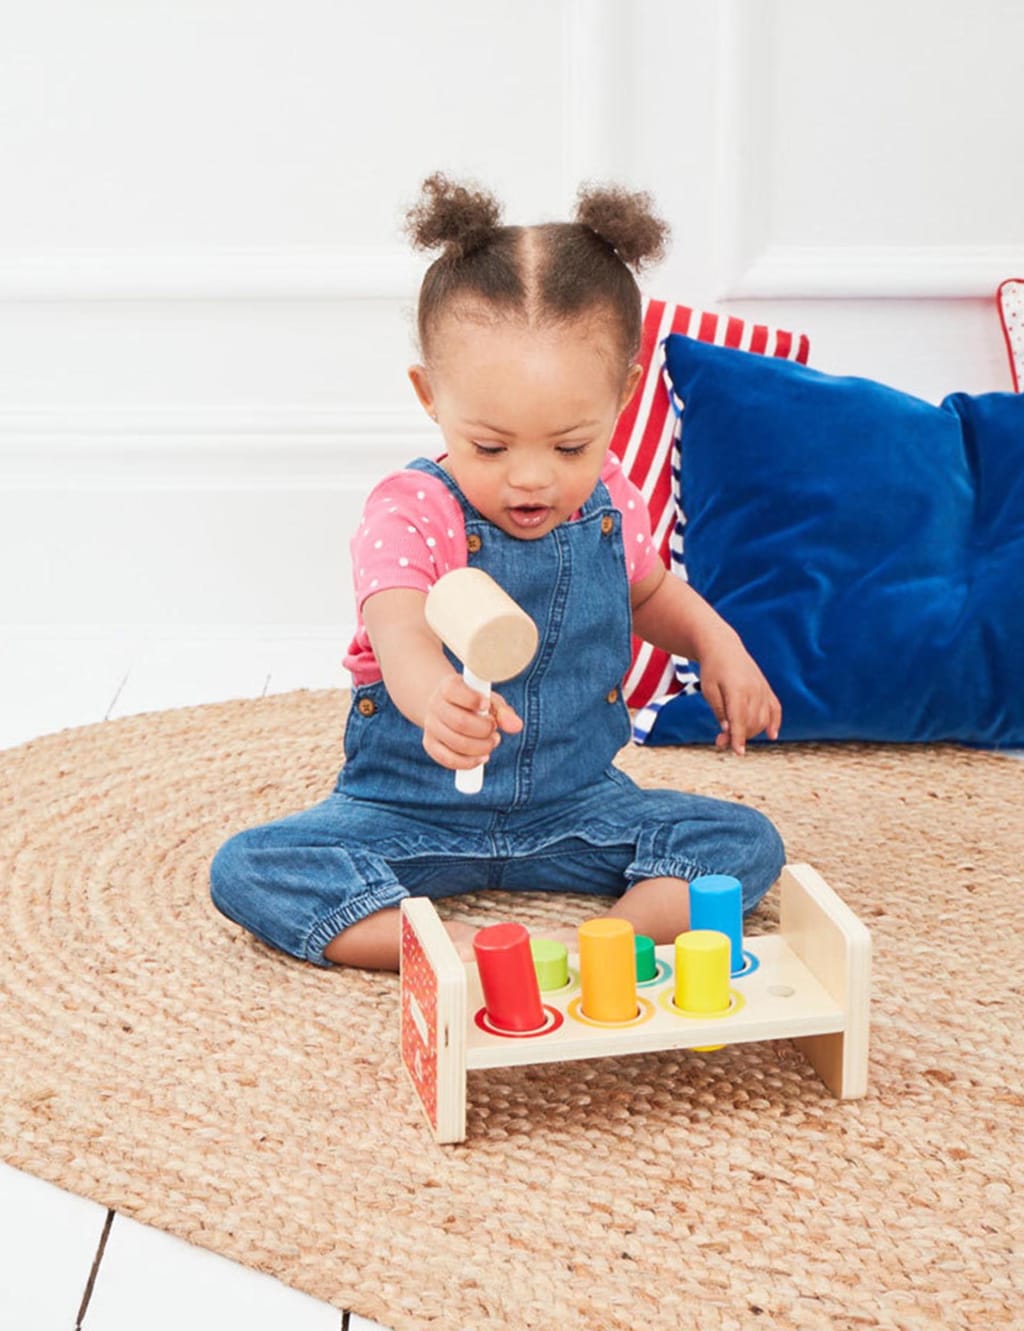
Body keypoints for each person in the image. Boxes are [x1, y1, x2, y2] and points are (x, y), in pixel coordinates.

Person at [210, 174, 784, 972]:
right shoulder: (412, 507)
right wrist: (430, 697)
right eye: (491, 446)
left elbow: (648, 593)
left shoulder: (611, 495)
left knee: (742, 839)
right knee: (251, 866)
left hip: (577, 808)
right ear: (429, 395)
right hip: (408, 813)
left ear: (621, 394)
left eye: (569, 445)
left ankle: (614, 941)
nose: (531, 479)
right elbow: (399, 623)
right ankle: (453, 954)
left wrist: (718, 646)